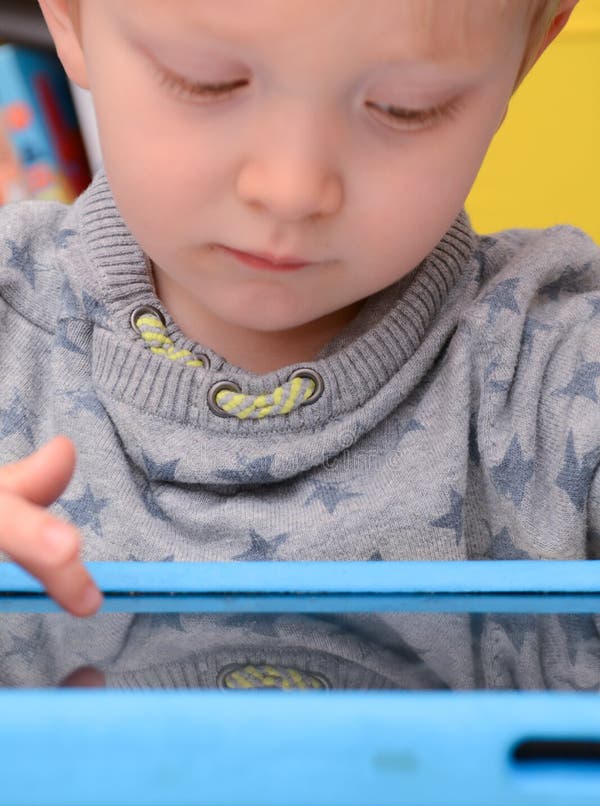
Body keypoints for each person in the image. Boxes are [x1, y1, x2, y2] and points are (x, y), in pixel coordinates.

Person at [0, 0, 597, 690]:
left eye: (405, 107)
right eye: (207, 80)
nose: (291, 190)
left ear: (528, 53)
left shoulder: (558, 374)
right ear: (68, 16)